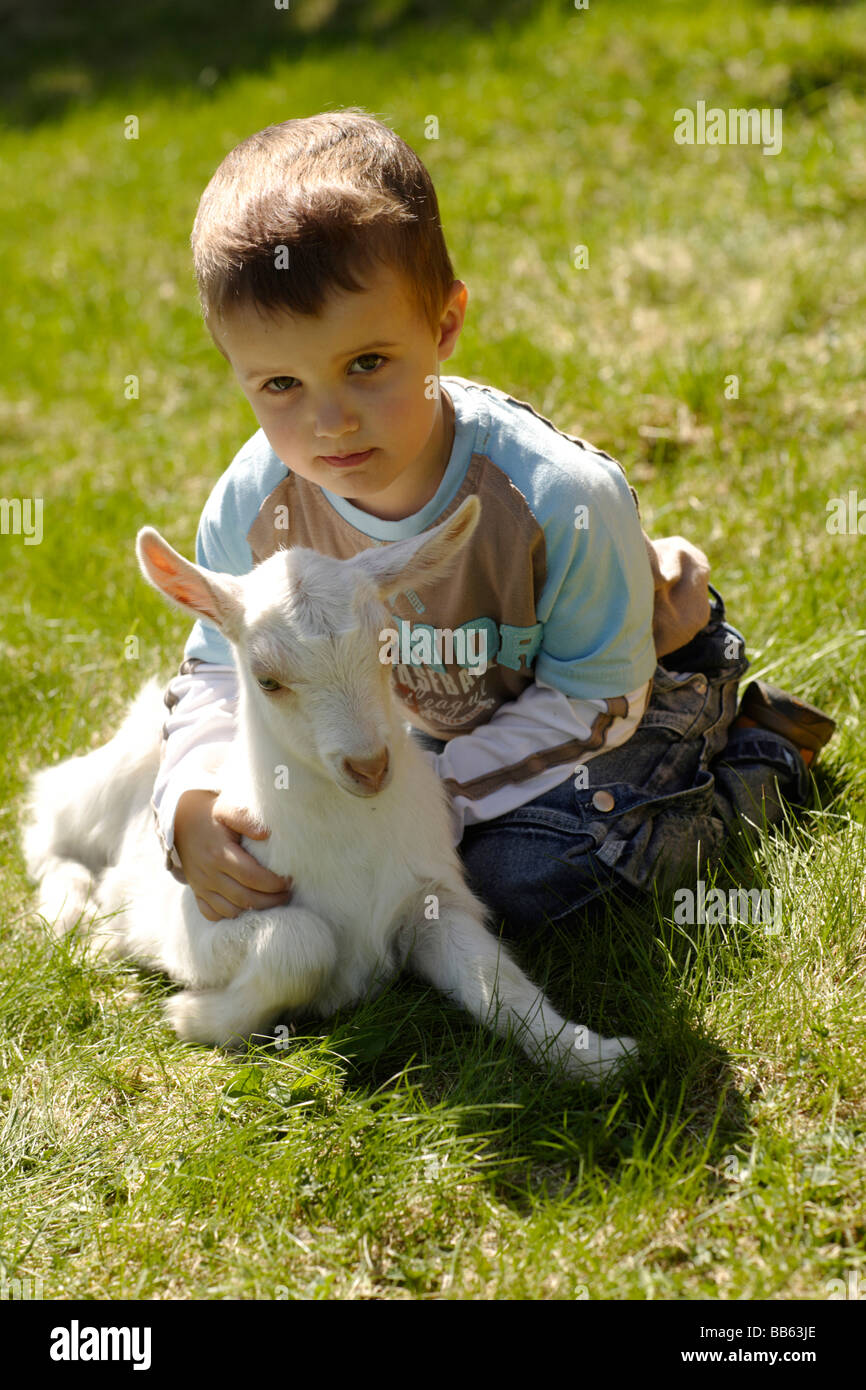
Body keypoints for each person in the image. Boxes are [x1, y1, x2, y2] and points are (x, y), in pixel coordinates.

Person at [151, 108, 834, 934]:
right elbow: (220, 676)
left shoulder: (557, 498)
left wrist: (431, 799)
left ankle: (754, 762)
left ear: (443, 326)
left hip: (624, 689)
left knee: (517, 879)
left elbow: (595, 696)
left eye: (366, 365)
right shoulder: (253, 508)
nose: (330, 421)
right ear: (235, 369)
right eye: (280, 386)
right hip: (446, 732)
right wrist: (188, 798)